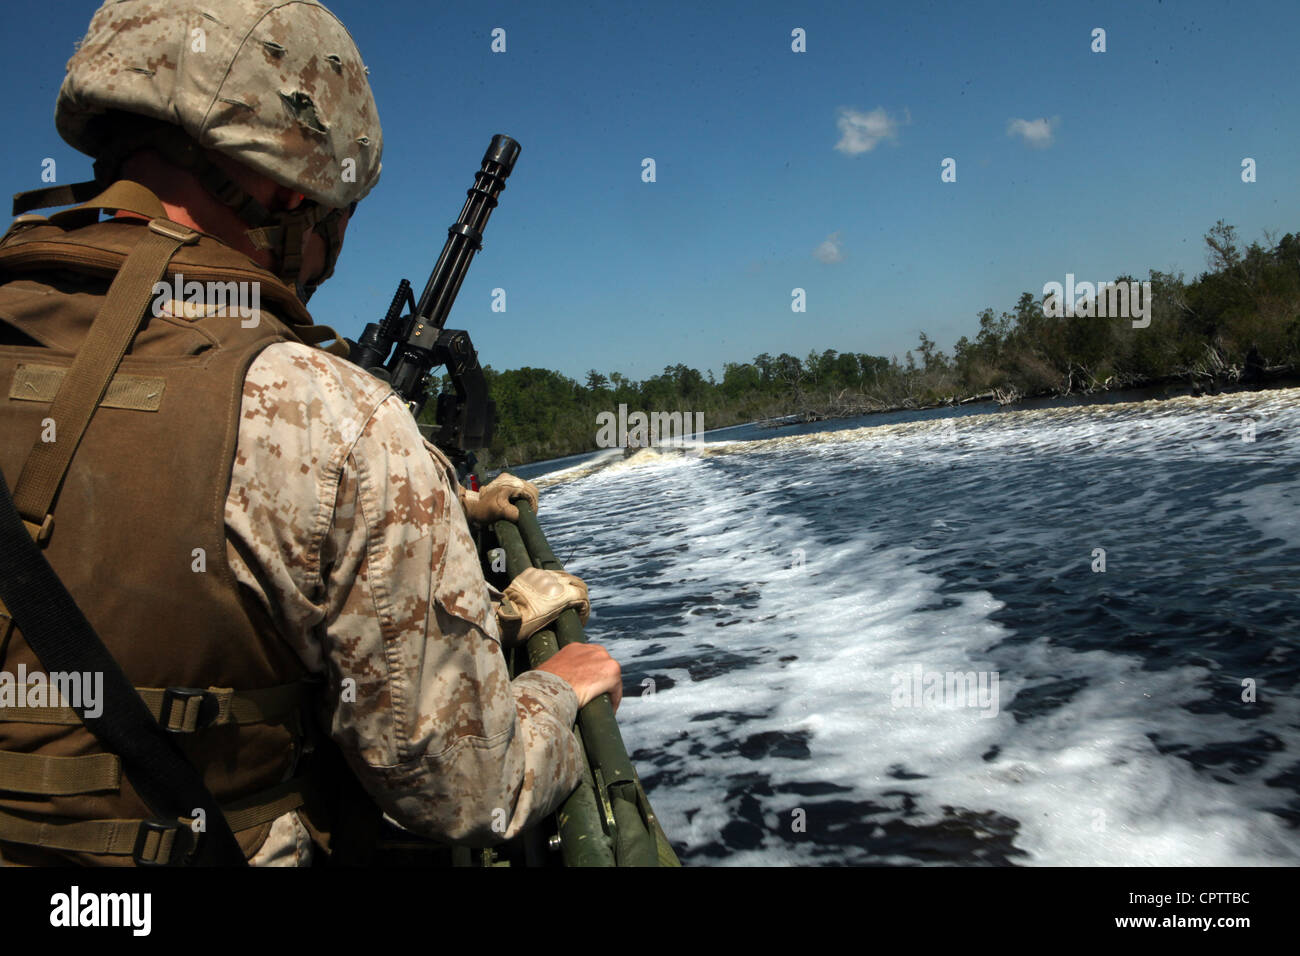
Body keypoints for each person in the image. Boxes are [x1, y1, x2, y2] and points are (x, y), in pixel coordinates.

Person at [0, 0, 621, 866]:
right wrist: (558, 691)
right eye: (338, 218)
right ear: (294, 196)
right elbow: (466, 788)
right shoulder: (331, 414)